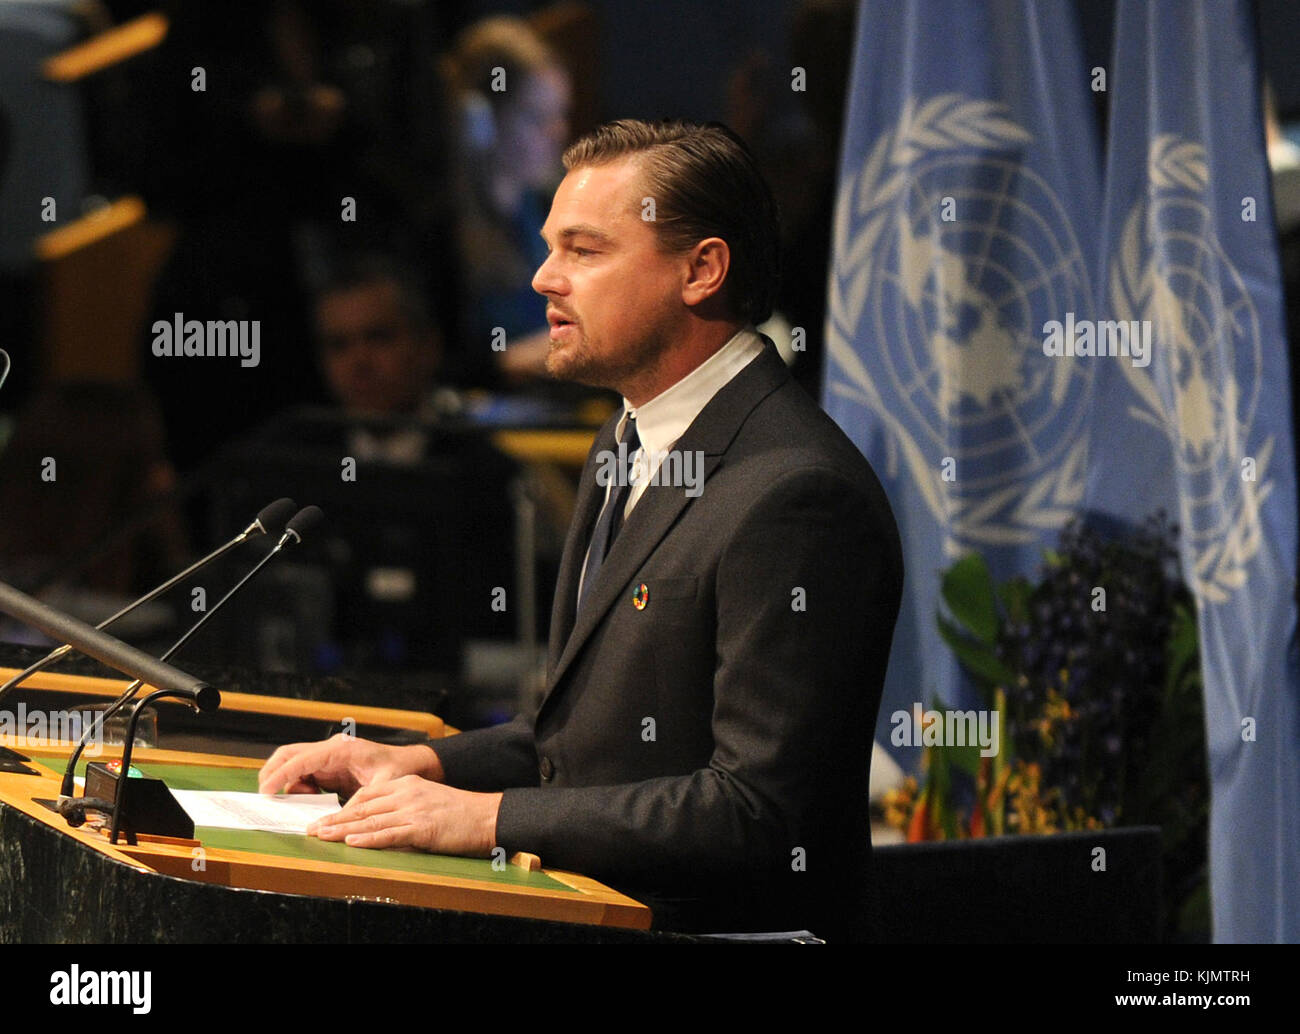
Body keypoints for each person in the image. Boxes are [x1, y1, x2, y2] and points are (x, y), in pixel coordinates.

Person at [259, 118, 904, 939]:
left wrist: (485, 820)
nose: (542, 279)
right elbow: (585, 747)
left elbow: (754, 811)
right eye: (549, 248)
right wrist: (416, 762)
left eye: (583, 251)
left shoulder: (797, 494)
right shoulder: (624, 440)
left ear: (702, 270)